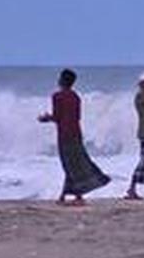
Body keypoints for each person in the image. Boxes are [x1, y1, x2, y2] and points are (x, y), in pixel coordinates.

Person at [37, 68, 110, 206]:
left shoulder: (57, 96)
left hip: (64, 135)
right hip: (76, 133)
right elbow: (77, 117)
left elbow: (57, 116)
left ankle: (78, 196)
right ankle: (64, 196)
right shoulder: (76, 97)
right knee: (74, 164)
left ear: (61, 80)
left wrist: (45, 118)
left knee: (70, 165)